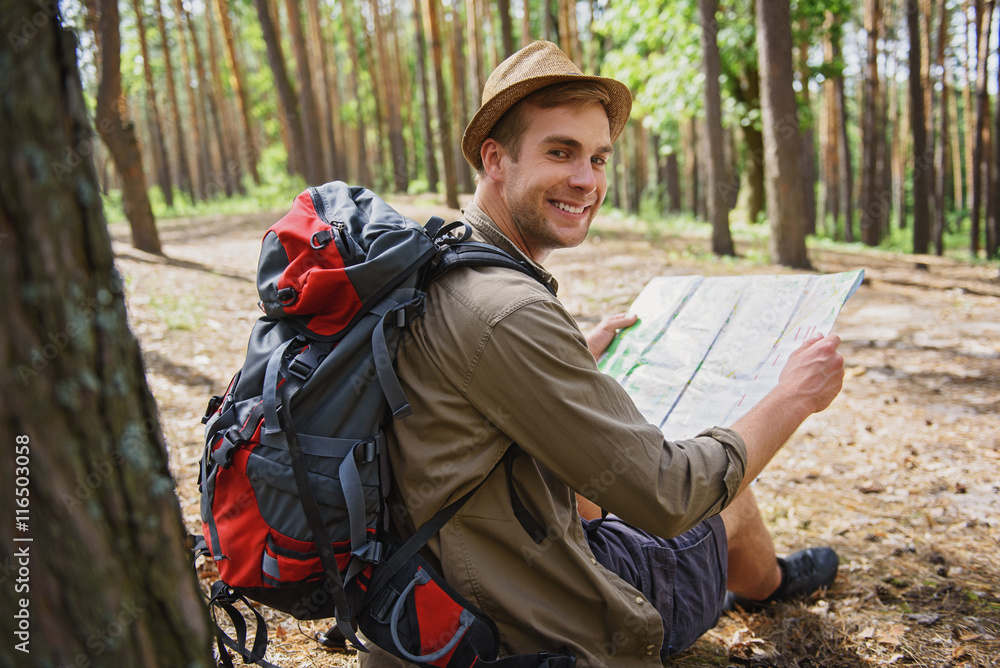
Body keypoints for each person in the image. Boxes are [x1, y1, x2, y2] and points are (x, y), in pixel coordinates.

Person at [363, 41, 844, 667]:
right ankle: (766, 585)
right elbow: (670, 496)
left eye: (598, 157)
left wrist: (568, 362)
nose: (587, 180)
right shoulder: (508, 311)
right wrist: (793, 396)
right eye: (560, 151)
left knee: (644, 465)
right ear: (495, 158)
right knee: (721, 480)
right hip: (527, 625)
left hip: (425, 599)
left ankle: (758, 581)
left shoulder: (436, 258)